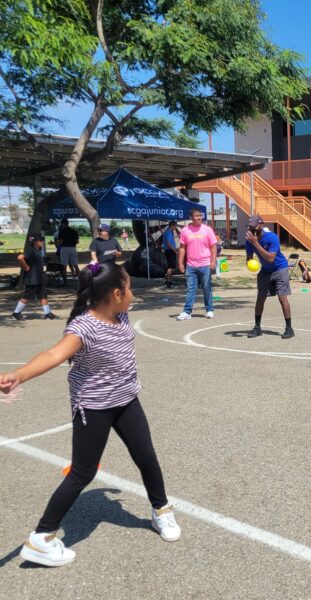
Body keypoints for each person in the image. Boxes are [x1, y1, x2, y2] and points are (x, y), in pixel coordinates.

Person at [0, 262, 180, 567]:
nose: (132, 292)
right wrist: (19, 375)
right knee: (83, 472)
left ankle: (161, 511)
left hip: (126, 400)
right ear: (115, 293)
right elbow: (54, 355)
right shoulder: (83, 327)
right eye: (129, 287)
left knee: (147, 457)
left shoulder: (120, 313)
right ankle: (41, 538)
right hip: (93, 407)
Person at [245, 215, 294, 339]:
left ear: (261, 225)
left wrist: (256, 243)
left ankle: (289, 329)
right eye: (249, 226)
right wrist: (251, 264)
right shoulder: (249, 241)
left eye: (253, 226)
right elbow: (249, 259)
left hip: (280, 268)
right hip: (265, 270)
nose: (251, 229)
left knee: (282, 298)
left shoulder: (272, 238)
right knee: (260, 298)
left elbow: (271, 258)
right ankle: (257, 328)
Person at [176, 208, 217, 320]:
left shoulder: (207, 230)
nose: (199, 217)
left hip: (205, 264)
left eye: (200, 215)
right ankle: (187, 312)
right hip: (191, 265)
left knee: (206, 288)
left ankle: (209, 310)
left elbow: (213, 247)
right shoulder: (185, 230)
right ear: (191, 217)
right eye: (196, 216)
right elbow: (182, 248)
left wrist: (213, 261)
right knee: (190, 288)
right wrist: (180, 262)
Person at [12, 235, 57, 321]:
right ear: (36, 242)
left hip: (39, 277)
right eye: (40, 241)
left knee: (43, 295)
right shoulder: (30, 251)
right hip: (32, 278)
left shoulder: (38, 251)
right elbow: (20, 257)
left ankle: (47, 313)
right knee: (27, 296)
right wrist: (26, 267)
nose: (42, 242)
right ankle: (16, 313)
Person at [57, 219, 79, 285]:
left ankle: (64, 281)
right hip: (73, 248)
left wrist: (56, 243)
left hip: (64, 248)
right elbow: (77, 241)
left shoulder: (61, 231)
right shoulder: (73, 231)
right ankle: (81, 280)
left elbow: (60, 242)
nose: (61, 225)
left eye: (61, 224)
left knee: (64, 265)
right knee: (75, 265)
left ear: (63, 224)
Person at [162, 220, 180, 288]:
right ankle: (169, 283)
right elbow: (169, 244)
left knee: (170, 267)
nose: (176, 227)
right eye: (175, 226)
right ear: (172, 225)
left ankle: (167, 281)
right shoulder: (169, 232)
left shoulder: (167, 232)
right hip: (170, 251)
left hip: (168, 250)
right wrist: (175, 251)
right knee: (171, 268)